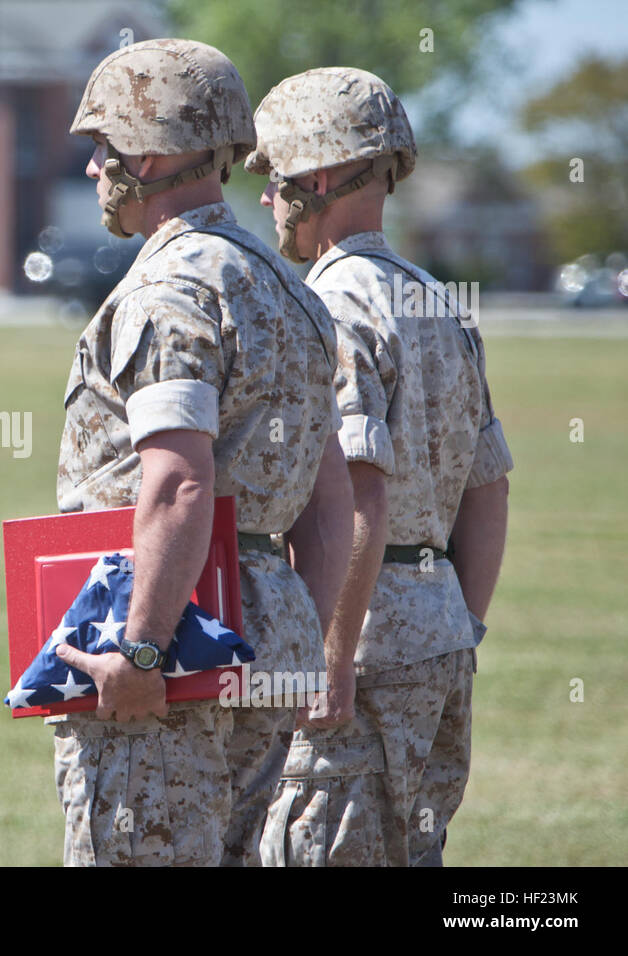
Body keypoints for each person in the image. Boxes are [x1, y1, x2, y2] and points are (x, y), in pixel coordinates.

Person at [50, 38, 359, 867]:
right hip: (268, 634)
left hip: (170, 649)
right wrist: (307, 642)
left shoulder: (168, 290)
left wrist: (142, 647)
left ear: (148, 153)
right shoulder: (291, 288)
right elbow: (330, 501)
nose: (94, 172)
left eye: (102, 150)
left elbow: (180, 482)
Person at [247, 68, 513, 866]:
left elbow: (359, 489)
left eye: (275, 177)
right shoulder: (440, 303)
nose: (265, 197)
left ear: (319, 178)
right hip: (438, 642)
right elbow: (488, 485)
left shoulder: (329, 306)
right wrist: (461, 623)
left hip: (357, 656)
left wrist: (331, 658)